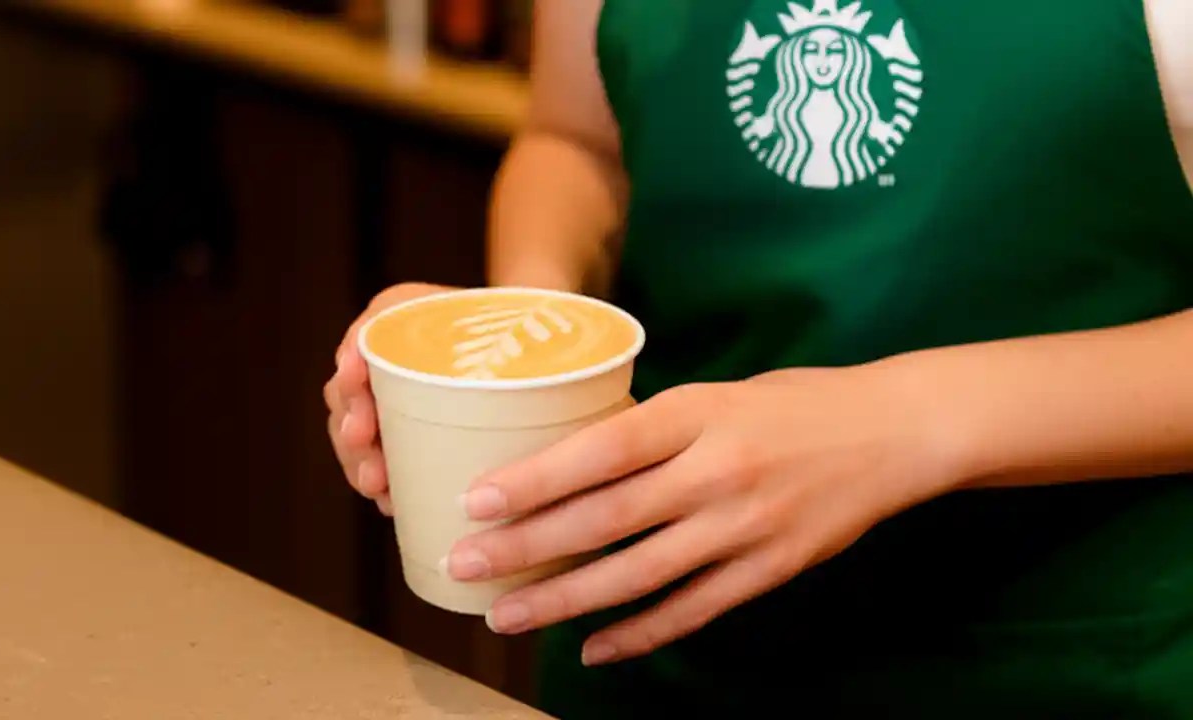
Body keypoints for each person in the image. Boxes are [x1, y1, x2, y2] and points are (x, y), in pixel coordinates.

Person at [325, 0, 1193, 715]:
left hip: (1074, 651)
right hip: (664, 640)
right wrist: (530, 329)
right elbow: (575, 140)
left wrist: (901, 421)